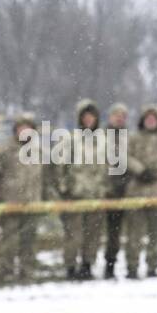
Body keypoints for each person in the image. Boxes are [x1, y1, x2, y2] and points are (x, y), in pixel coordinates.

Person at [56, 98, 106, 279]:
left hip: (96, 195)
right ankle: (70, 266)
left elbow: (110, 166)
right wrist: (64, 189)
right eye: (85, 117)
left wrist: (105, 188)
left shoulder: (103, 141)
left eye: (91, 117)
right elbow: (60, 167)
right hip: (75, 195)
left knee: (93, 235)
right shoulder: (70, 140)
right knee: (73, 235)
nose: (88, 120)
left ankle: (87, 265)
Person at [124, 105, 157, 279]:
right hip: (136, 191)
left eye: (154, 118)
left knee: (156, 233)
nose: (151, 121)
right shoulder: (134, 138)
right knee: (134, 234)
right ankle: (132, 266)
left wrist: (156, 171)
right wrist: (140, 170)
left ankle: (152, 266)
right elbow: (125, 156)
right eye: (148, 118)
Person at [0, 113, 42, 282]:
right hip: (10, 202)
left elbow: (46, 177)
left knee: (28, 240)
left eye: (28, 127)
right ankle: (6, 271)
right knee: (9, 241)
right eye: (21, 127)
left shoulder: (39, 151)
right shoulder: (4, 150)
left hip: (32, 203)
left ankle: (27, 271)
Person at [103, 102, 129, 278]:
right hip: (103, 190)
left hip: (122, 191)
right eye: (116, 115)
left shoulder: (129, 139)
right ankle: (84, 264)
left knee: (115, 232)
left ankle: (110, 264)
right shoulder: (100, 137)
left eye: (122, 116)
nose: (118, 119)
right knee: (94, 230)